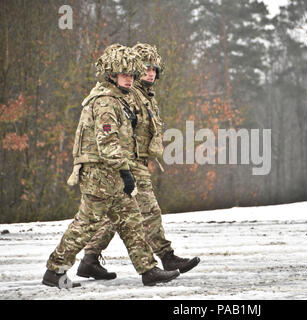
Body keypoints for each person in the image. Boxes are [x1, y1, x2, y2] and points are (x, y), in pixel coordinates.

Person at [42, 44, 180, 288]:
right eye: (124, 75)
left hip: (111, 174)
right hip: (100, 174)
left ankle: (149, 270)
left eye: (132, 75)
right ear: (111, 75)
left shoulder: (119, 98)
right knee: (86, 225)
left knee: (131, 221)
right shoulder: (106, 101)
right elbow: (107, 144)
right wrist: (126, 171)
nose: (129, 80)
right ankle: (55, 270)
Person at [75, 43, 200, 281]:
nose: (150, 73)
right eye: (145, 68)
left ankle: (89, 260)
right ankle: (166, 256)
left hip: (136, 161)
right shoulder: (127, 95)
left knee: (117, 216)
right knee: (149, 210)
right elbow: (116, 131)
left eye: (154, 69)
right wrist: (121, 164)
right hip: (127, 162)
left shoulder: (144, 96)